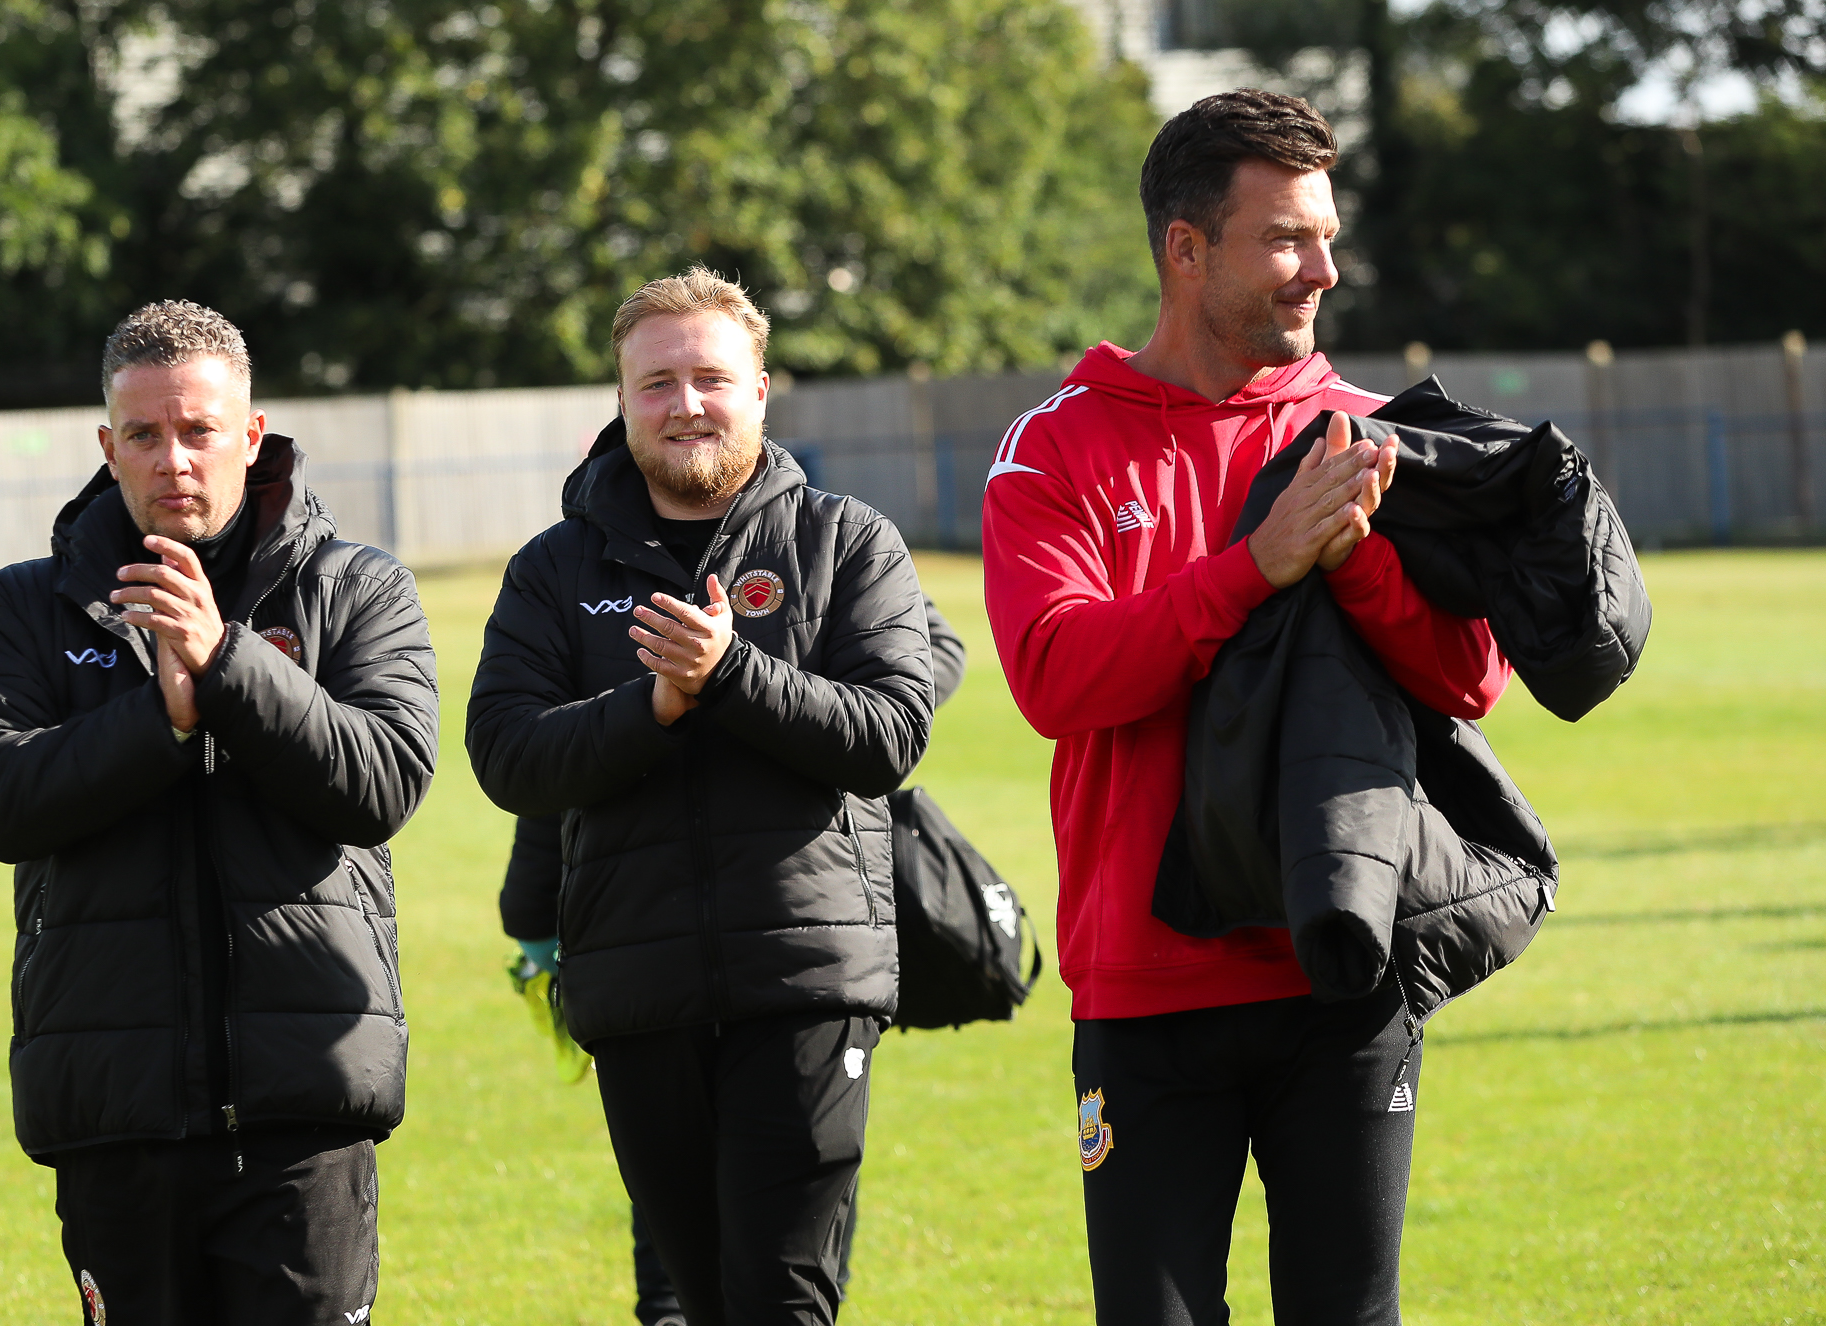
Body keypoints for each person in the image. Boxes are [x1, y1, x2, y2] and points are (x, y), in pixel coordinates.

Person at [980, 91, 1512, 1324]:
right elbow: (1058, 676)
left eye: (1325, 237)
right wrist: (1256, 560)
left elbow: (1468, 676)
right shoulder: (1053, 450)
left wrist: (1352, 556)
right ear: (1183, 247)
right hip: (1147, 987)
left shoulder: (1372, 436)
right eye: (1284, 240)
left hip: (1343, 962)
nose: (1320, 270)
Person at [0, 300, 440, 1324]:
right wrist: (159, 724)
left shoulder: (357, 590)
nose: (175, 458)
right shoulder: (28, 607)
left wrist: (227, 668)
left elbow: (382, 781)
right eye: (145, 434)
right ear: (106, 446)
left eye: (200, 430)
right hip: (115, 1104)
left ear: (250, 437)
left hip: (303, 1106)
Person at [466, 267, 935, 1325]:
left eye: (710, 379)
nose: (685, 406)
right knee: (699, 1301)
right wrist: (653, 708)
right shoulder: (552, 570)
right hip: (638, 989)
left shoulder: (843, 540)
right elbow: (505, 757)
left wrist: (731, 678)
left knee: (778, 1299)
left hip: (807, 980)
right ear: (621, 399)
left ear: (761, 390)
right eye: (656, 383)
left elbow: (889, 736)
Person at [498, 598, 966, 1326]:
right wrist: (530, 914)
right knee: (685, 1282)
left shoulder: (831, 532)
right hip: (643, 946)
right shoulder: (573, 560)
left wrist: (771, 701)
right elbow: (529, 757)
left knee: (783, 1279)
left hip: (798, 942)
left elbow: (914, 673)